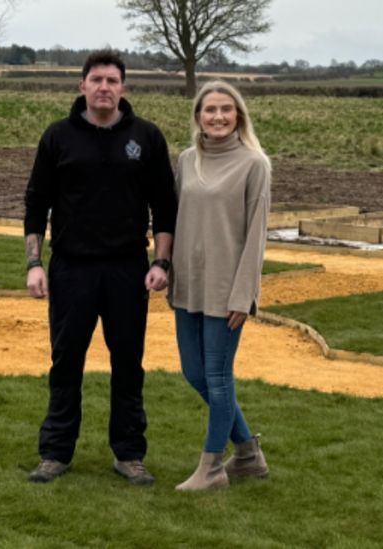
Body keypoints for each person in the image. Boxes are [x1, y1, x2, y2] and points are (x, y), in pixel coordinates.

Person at [23, 50, 178, 485]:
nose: (104, 87)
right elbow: (36, 202)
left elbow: (165, 206)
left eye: (112, 80)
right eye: (96, 80)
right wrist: (35, 263)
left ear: (123, 88)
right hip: (71, 268)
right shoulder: (58, 137)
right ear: (82, 87)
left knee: (128, 362)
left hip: (128, 269)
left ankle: (128, 454)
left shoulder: (146, 138)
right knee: (66, 361)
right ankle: (55, 453)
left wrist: (161, 261)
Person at [169, 80, 271, 491]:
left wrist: (245, 294)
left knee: (218, 375)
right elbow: (176, 221)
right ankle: (247, 453)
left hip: (227, 289)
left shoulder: (254, 164)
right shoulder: (186, 160)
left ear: (239, 115)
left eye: (226, 109)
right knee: (194, 374)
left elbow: (257, 234)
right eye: (210, 109)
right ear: (198, 116)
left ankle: (211, 469)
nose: (218, 116)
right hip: (188, 284)